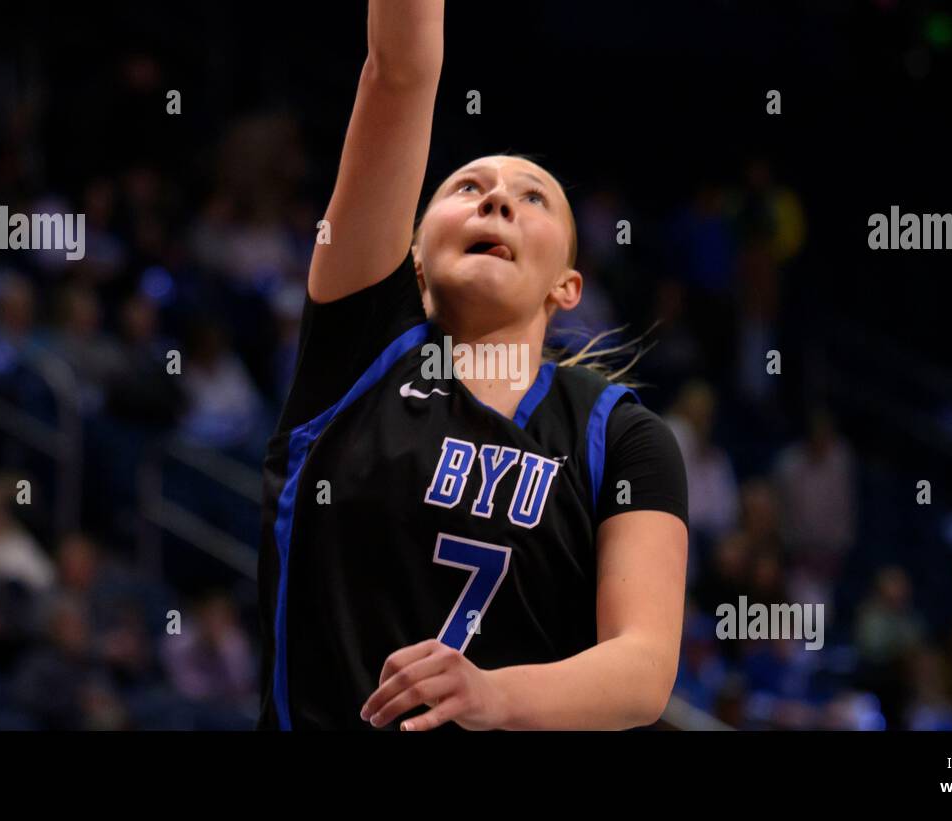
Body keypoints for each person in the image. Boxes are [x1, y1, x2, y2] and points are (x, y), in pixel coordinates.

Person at [257, 0, 688, 731]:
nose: (496, 198)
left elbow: (643, 665)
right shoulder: (360, 347)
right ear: (414, 253)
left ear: (567, 286)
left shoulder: (622, 437)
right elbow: (399, 73)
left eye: (532, 198)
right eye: (466, 189)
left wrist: (495, 694)